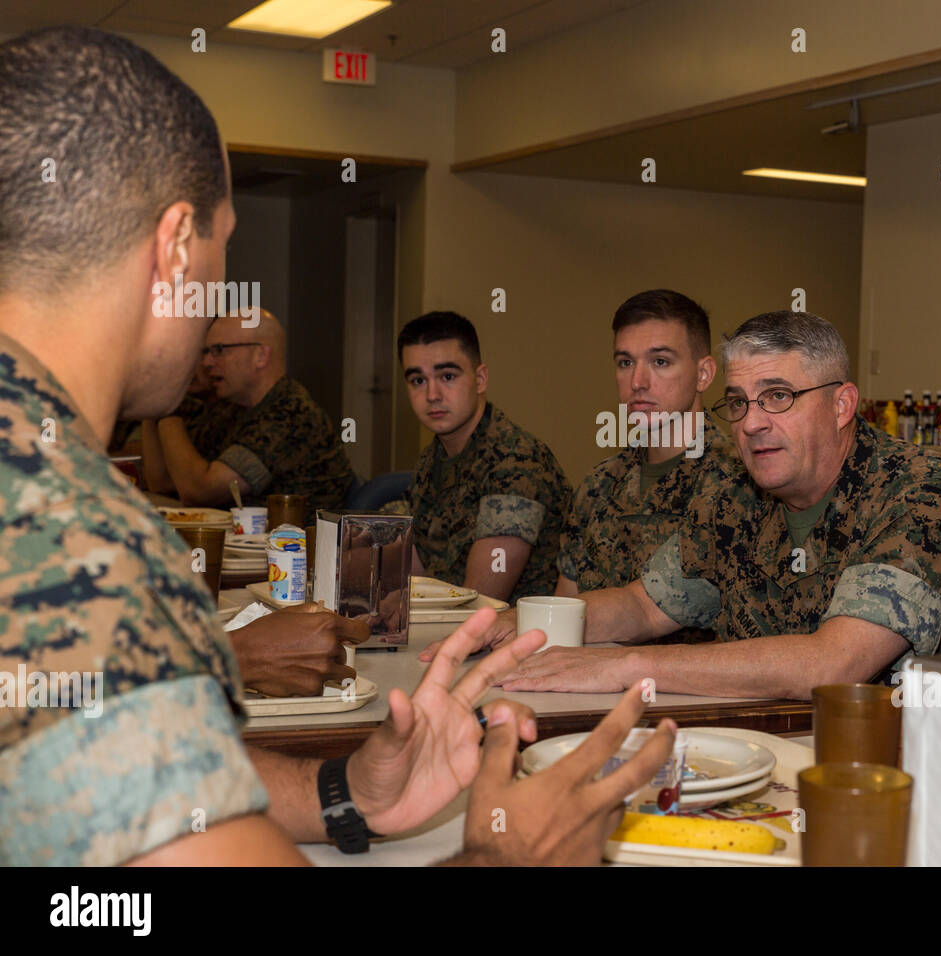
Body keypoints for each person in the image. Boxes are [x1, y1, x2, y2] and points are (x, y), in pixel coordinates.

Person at [0, 25, 673, 866]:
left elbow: (101, 755)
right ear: (175, 245)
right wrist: (515, 855)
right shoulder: (72, 536)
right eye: (223, 247)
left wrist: (343, 792)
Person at [433, 312, 941, 700]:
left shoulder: (923, 493)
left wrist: (628, 667)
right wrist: (516, 626)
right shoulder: (736, 492)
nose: (752, 422)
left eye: (778, 396)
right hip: (760, 746)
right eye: (738, 402)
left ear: (842, 404)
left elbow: (835, 664)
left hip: (902, 771)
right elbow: (644, 606)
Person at [557, 289, 744, 642]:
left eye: (660, 361)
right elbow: (564, 609)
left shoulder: (737, 483)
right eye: (625, 362)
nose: (637, 382)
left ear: (704, 374)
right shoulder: (599, 484)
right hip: (584, 688)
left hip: (690, 693)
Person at [388, 312, 571, 603]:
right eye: (418, 380)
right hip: (452, 627)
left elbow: (480, 601)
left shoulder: (515, 461)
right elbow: (417, 571)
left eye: (447, 376)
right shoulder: (433, 458)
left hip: (515, 638)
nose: (432, 394)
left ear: (480, 378)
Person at [142, 308, 355, 515]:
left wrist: (169, 405)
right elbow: (165, 482)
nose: (206, 362)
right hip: (248, 544)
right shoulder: (231, 408)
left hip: (293, 548)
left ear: (260, 356)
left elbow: (200, 491)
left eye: (219, 350)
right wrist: (155, 407)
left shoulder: (289, 413)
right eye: (206, 352)